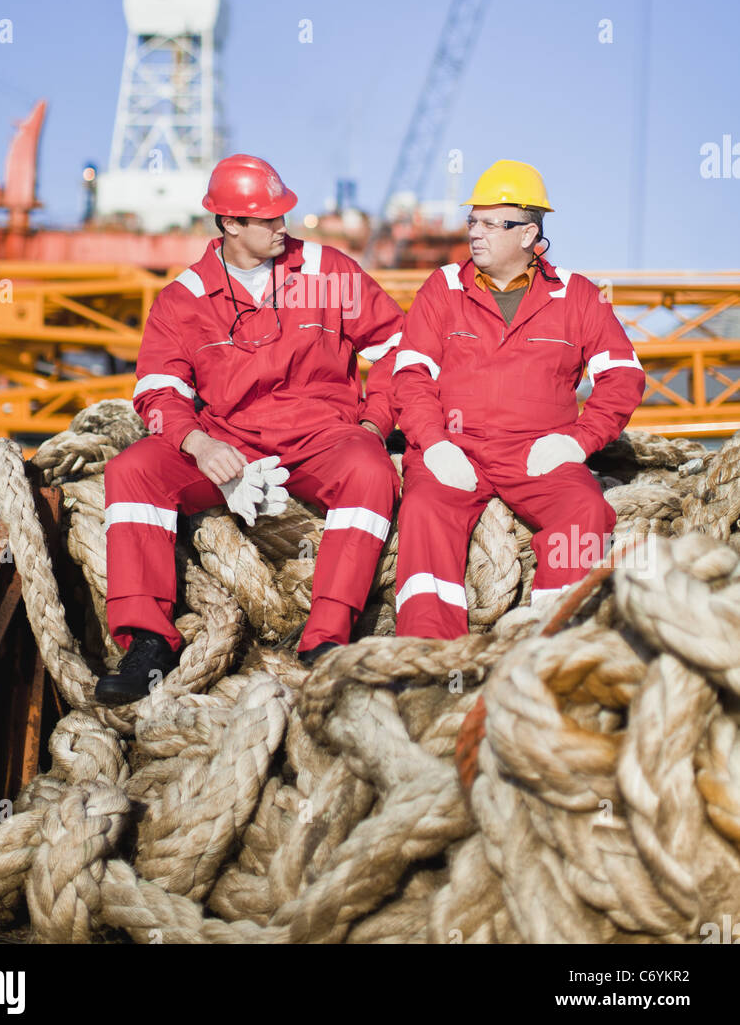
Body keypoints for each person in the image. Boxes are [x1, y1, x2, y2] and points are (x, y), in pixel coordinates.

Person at [96, 153, 405, 703]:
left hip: (323, 438)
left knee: (369, 470)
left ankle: (326, 639)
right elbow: (157, 392)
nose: (282, 227)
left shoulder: (326, 273)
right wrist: (198, 442)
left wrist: (374, 424)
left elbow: (397, 351)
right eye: (267, 219)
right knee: (134, 471)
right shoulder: (184, 299)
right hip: (227, 443)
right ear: (230, 224)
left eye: (284, 213)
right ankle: (148, 641)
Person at [391, 158, 645, 639]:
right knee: (425, 512)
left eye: (491, 223)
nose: (475, 233)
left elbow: (623, 376)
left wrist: (578, 442)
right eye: (473, 221)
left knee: (584, 511)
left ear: (528, 234)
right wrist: (434, 443)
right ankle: (428, 651)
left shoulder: (578, 295)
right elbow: (411, 374)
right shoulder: (443, 288)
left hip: (537, 451)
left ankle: (556, 643)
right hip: (454, 446)